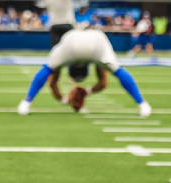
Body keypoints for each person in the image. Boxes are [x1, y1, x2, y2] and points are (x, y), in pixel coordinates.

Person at [17, 25, 152, 117]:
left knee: (47, 68)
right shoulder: (97, 59)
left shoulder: (64, 55)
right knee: (118, 71)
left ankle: (26, 102)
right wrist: (87, 92)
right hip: (97, 41)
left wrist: (64, 100)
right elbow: (103, 83)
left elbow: (51, 81)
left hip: (71, 41)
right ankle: (142, 104)